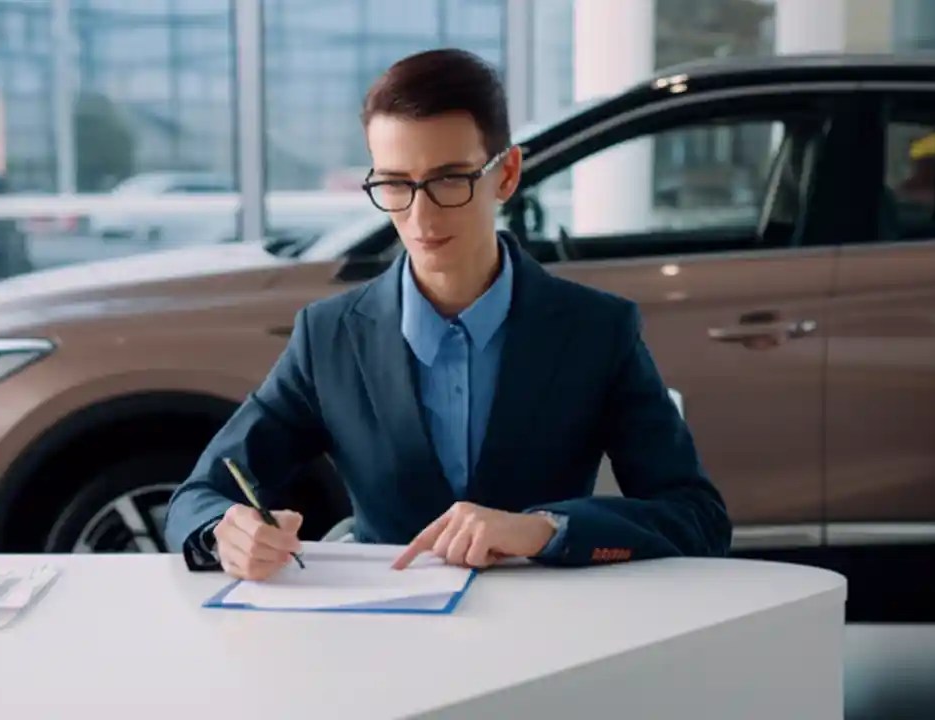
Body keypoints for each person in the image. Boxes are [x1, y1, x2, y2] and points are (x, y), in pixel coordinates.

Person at [164, 48, 731, 580]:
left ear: (506, 175)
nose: (420, 215)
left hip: (549, 639)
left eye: (450, 180)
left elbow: (697, 518)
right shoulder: (330, 337)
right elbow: (198, 497)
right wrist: (224, 533)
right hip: (390, 642)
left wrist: (545, 529)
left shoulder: (596, 331)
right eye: (394, 185)